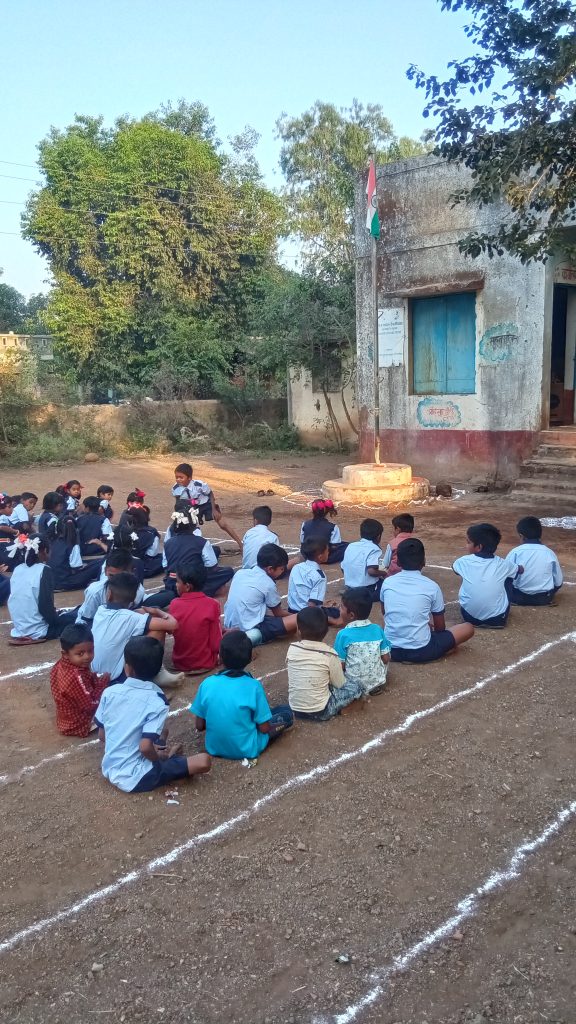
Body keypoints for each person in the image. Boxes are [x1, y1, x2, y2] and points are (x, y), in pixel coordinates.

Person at [95, 635, 211, 793]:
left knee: (163, 732)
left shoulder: (109, 692)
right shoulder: (157, 701)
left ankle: (167, 757)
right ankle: (169, 763)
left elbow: (102, 735)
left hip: (110, 768)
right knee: (204, 761)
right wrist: (157, 758)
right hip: (137, 777)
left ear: (127, 667)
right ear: (158, 671)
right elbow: (144, 748)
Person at [190, 631, 293, 759]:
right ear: (250, 659)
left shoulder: (206, 684)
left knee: (258, 714)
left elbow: (199, 726)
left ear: (220, 657)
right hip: (247, 748)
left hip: (213, 747)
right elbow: (264, 729)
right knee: (286, 713)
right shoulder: (253, 686)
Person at [382, 538, 474, 661]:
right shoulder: (432, 586)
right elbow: (440, 628)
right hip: (422, 651)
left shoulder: (387, 582)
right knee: (468, 628)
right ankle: (442, 650)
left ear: (398, 562)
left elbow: (385, 612)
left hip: (390, 650)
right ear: (424, 562)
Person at [91, 572, 183, 687]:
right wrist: (157, 612)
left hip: (95, 677)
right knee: (157, 629)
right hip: (116, 679)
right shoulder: (132, 618)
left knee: (142, 628)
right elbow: (172, 624)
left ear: (109, 594)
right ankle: (155, 674)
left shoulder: (101, 610)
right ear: (134, 599)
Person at [287, 606, 362, 720]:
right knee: (356, 686)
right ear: (326, 631)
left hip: (295, 709)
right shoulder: (330, 654)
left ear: (298, 630)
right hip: (321, 711)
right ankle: (341, 709)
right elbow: (339, 684)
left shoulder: (291, 649)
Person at [7, 535, 77, 645]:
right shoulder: (44, 570)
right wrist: (56, 620)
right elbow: (45, 605)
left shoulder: (17, 569)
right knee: (78, 616)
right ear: (45, 551)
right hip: (39, 631)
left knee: (67, 615)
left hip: (20, 629)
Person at [224, 542, 298, 645]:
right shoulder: (268, 584)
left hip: (230, 624)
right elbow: (278, 613)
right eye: (281, 569)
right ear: (270, 569)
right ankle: (247, 640)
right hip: (249, 629)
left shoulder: (241, 573)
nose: (283, 571)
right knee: (294, 622)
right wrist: (296, 615)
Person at [453, 523, 520, 629]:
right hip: (497, 619)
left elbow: (455, 568)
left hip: (469, 617)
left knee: (466, 576)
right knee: (509, 576)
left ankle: (476, 606)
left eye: (468, 542)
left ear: (479, 547)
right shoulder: (503, 564)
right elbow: (519, 570)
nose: (466, 545)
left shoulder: (463, 561)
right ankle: (497, 609)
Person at [50, 623, 110, 737]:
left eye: (90, 651)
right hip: (79, 723)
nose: (87, 656)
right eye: (80, 653)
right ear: (65, 654)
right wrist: (103, 683)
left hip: (67, 719)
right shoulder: (76, 677)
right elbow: (90, 705)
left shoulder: (61, 665)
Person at [161, 506, 233, 599]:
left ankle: (176, 593)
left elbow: (165, 567)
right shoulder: (201, 542)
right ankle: (198, 593)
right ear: (193, 525)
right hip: (193, 583)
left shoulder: (168, 543)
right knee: (228, 571)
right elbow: (212, 567)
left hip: (173, 583)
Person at [333, 587, 391, 695]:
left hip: (353, 685)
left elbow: (340, 665)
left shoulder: (343, 635)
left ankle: (357, 691)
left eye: (341, 607)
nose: (339, 609)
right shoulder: (377, 629)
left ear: (351, 615)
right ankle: (373, 684)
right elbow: (386, 658)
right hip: (376, 682)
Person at [168, 561, 222, 673]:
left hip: (180, 662)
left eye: (177, 582)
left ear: (187, 586)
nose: (176, 585)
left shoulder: (174, 604)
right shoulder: (212, 604)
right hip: (205, 662)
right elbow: (215, 644)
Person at [76, 549, 149, 626]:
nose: (115, 581)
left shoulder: (139, 591)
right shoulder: (95, 592)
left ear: (132, 572)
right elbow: (87, 621)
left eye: (120, 576)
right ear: (105, 571)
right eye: (111, 575)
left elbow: (133, 617)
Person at [507, 516, 563, 606]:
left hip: (519, 597)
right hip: (544, 598)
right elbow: (558, 581)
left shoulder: (515, 552)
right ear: (540, 534)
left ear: (521, 536)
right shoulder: (549, 553)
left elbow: (507, 575)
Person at [287, 537, 342, 623]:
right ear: (320, 557)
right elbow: (311, 606)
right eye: (327, 551)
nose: (328, 552)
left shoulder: (296, 567)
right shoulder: (320, 576)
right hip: (307, 614)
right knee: (335, 613)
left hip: (292, 610)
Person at [47, 513, 103, 591]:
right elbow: (76, 568)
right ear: (76, 529)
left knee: (91, 564)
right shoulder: (73, 545)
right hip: (65, 582)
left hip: (51, 581)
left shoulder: (53, 542)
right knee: (99, 563)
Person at [341, 518, 387, 601]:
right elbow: (371, 571)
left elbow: (342, 568)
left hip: (350, 588)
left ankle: (351, 594)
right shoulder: (375, 549)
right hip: (368, 591)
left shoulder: (351, 546)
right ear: (378, 536)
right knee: (387, 585)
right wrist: (385, 572)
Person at [300, 498, 347, 564]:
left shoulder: (305, 524)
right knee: (347, 546)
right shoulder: (333, 527)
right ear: (326, 511)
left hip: (307, 555)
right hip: (326, 557)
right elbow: (334, 546)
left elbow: (302, 541)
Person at [120, 505, 163, 578]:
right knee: (162, 559)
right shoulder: (151, 532)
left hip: (122, 563)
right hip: (141, 567)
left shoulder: (123, 531)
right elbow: (152, 554)